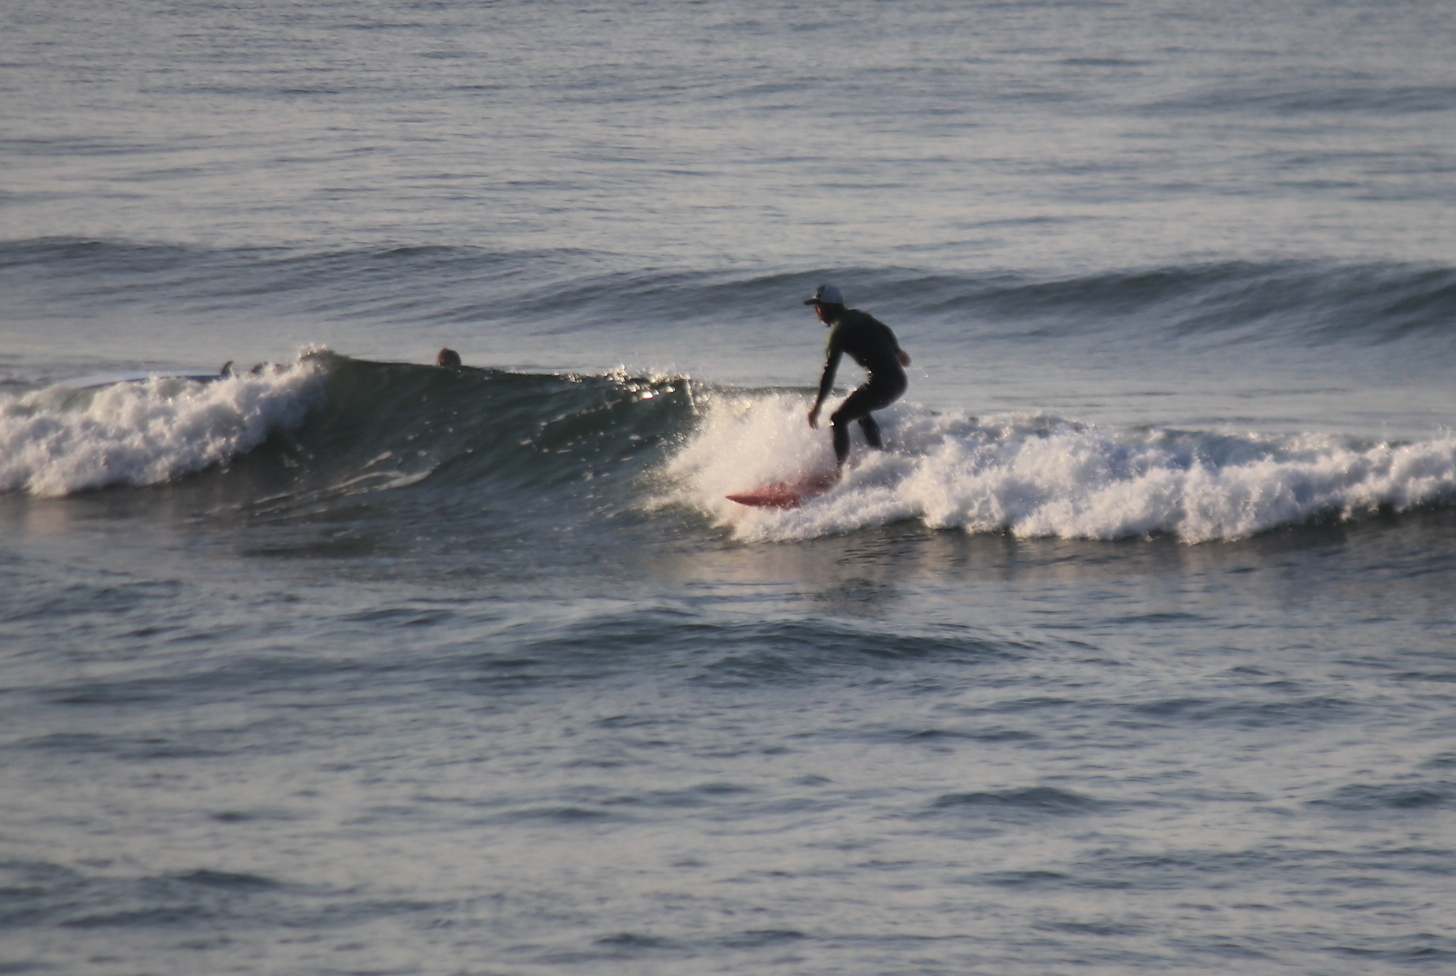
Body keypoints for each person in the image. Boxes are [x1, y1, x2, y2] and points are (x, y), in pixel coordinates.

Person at [804, 283, 911, 469]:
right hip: (898, 382)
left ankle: (841, 472)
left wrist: (817, 406)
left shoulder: (839, 331)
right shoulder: (859, 316)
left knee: (838, 419)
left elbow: (829, 372)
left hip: (882, 384)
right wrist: (897, 350)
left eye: (818, 306)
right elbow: (885, 329)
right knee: (860, 412)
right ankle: (879, 458)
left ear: (829, 306)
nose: (816, 311)